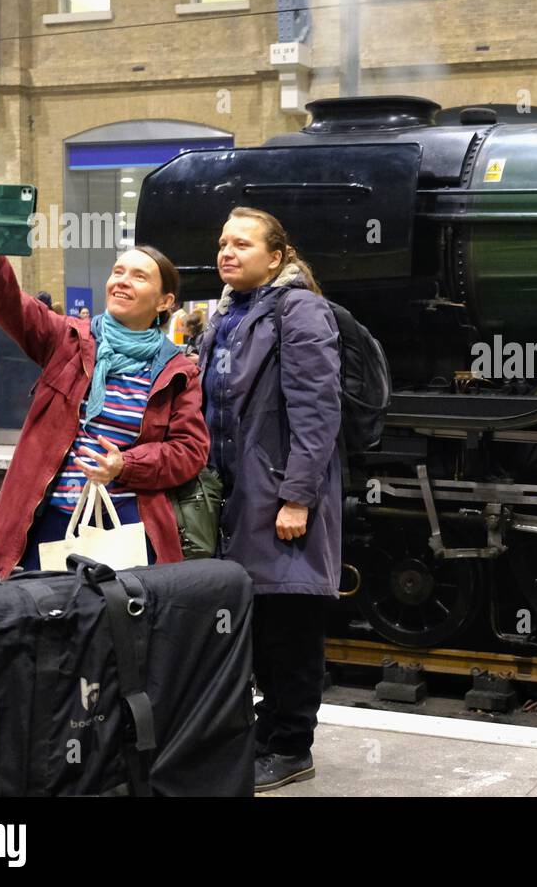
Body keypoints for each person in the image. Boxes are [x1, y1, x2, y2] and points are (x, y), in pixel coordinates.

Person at [0, 181, 210, 578]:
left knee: (116, 636)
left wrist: (124, 464)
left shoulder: (178, 371)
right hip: (50, 521)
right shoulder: (68, 340)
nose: (122, 280)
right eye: (117, 271)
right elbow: (6, 301)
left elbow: (190, 451)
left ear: (165, 302)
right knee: (44, 632)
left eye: (139, 276)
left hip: (130, 525)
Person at [196, 206, 341, 793]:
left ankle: (291, 745)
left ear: (277, 256)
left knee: (290, 621)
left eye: (242, 244)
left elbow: (316, 409)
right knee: (257, 624)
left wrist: (298, 497)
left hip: (279, 492)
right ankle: (265, 734)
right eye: (224, 243)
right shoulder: (228, 312)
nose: (227, 253)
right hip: (236, 492)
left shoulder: (300, 309)